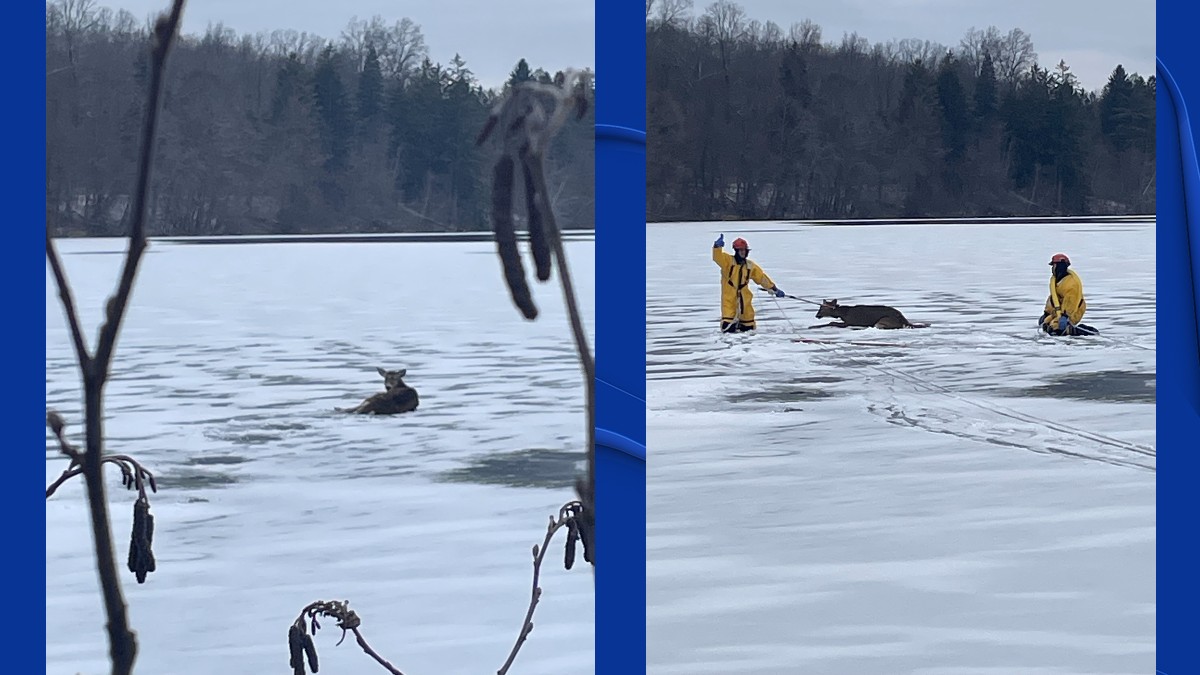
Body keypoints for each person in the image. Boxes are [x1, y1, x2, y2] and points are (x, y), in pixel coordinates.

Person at [712, 233, 785, 333]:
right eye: (740, 250)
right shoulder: (728, 262)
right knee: (728, 327)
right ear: (736, 251)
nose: (743, 252)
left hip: (745, 300)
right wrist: (717, 247)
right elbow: (717, 257)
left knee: (749, 326)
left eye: (744, 250)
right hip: (729, 300)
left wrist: (774, 289)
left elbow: (761, 278)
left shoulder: (750, 266)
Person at [1039, 253, 1099, 336]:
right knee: (1047, 326)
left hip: (1074, 310)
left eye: (1054, 266)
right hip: (1059, 310)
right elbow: (1053, 299)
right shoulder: (1057, 282)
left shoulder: (1071, 284)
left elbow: (1071, 302)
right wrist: (1046, 313)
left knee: (1057, 329)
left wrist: (1065, 315)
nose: (1052, 268)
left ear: (1059, 267)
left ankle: (1084, 331)